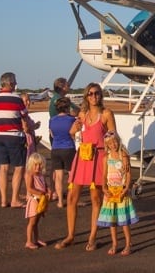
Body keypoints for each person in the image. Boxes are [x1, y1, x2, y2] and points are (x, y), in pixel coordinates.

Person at [55, 82, 117, 251]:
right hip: (83, 157)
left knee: (96, 198)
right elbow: (72, 132)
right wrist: (73, 130)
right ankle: (70, 235)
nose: (94, 96)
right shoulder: (82, 114)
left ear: (101, 95)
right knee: (72, 197)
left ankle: (92, 237)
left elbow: (114, 137)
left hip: (99, 157)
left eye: (97, 93)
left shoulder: (106, 114)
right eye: (90, 94)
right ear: (86, 96)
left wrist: (110, 145)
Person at [0, 72, 30, 208]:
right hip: (14, 135)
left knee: (3, 168)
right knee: (19, 168)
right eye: (14, 82)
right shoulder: (16, 99)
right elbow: (24, 115)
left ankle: (3, 199)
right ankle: (15, 199)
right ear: (10, 83)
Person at [98, 131, 138, 256]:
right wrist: (104, 188)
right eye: (110, 143)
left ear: (119, 141)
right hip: (110, 192)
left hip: (121, 192)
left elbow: (128, 174)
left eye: (115, 141)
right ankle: (114, 243)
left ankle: (127, 244)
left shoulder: (124, 156)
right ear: (107, 145)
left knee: (124, 221)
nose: (113, 145)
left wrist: (126, 188)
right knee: (112, 221)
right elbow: (104, 175)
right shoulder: (106, 158)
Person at [49, 97, 77, 208]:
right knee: (71, 175)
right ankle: (72, 199)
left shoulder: (52, 120)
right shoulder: (71, 120)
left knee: (59, 176)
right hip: (68, 148)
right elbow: (74, 133)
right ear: (67, 107)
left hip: (55, 148)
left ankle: (60, 201)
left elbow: (52, 134)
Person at [23, 152, 51, 249]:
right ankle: (28, 241)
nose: (38, 167)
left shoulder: (41, 175)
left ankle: (36, 239)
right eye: (35, 164)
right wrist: (41, 193)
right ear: (31, 164)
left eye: (40, 164)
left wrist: (48, 190)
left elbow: (45, 185)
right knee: (32, 222)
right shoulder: (29, 174)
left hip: (41, 201)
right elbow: (30, 188)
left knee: (37, 222)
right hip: (34, 200)